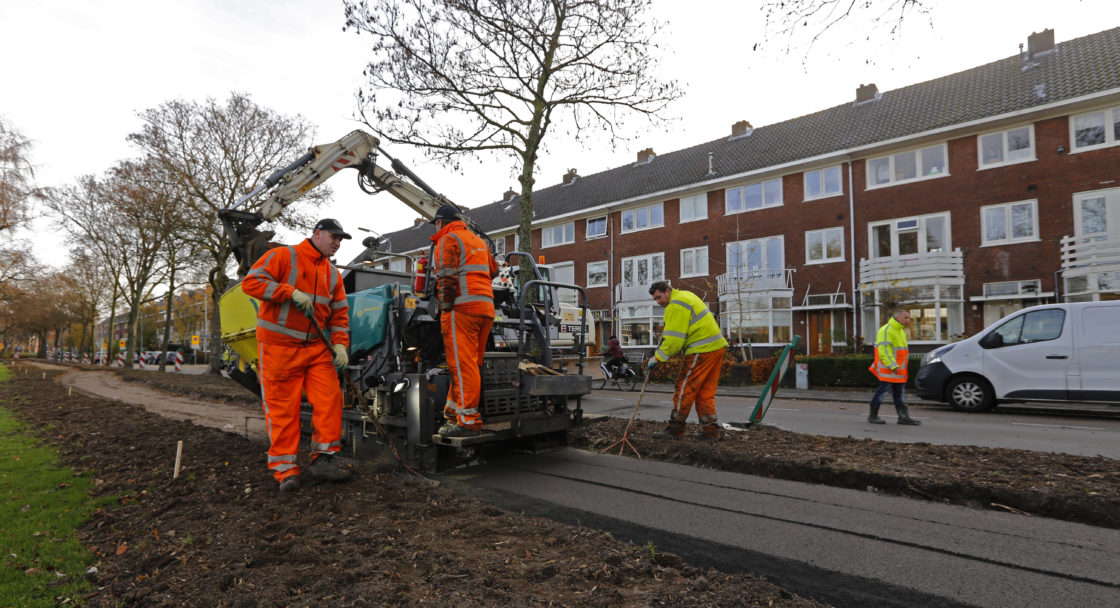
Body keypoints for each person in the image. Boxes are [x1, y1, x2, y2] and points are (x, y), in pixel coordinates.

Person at [241, 218, 354, 492]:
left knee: (330, 400)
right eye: (334, 237)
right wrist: (288, 292)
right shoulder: (283, 256)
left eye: (341, 240)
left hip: (316, 348)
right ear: (317, 234)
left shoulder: (333, 275)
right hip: (279, 348)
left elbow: (339, 316)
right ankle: (286, 471)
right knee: (283, 411)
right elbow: (251, 283)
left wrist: (340, 345)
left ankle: (324, 459)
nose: (337, 244)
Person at [429, 204, 499, 438]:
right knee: (469, 365)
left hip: (463, 309)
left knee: (461, 365)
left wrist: (445, 306)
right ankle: (453, 412)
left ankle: (468, 420)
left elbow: (446, 277)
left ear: (440, 222)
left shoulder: (448, 239)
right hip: (486, 308)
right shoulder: (478, 241)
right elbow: (493, 270)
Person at [646, 280, 729, 440]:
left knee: (684, 388)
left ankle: (675, 429)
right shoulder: (686, 296)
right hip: (717, 347)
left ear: (667, 291)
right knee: (705, 392)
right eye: (655, 299)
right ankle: (710, 432)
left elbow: (675, 341)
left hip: (702, 349)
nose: (658, 302)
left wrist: (657, 358)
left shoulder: (675, 305)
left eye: (659, 297)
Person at [868, 308, 922, 425]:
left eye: (908, 317)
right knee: (882, 392)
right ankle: (873, 416)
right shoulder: (887, 330)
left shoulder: (900, 330)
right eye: (905, 317)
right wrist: (893, 365)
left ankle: (903, 417)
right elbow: (884, 351)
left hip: (898, 370)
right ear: (897, 318)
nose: (908, 320)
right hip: (889, 369)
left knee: (899, 393)